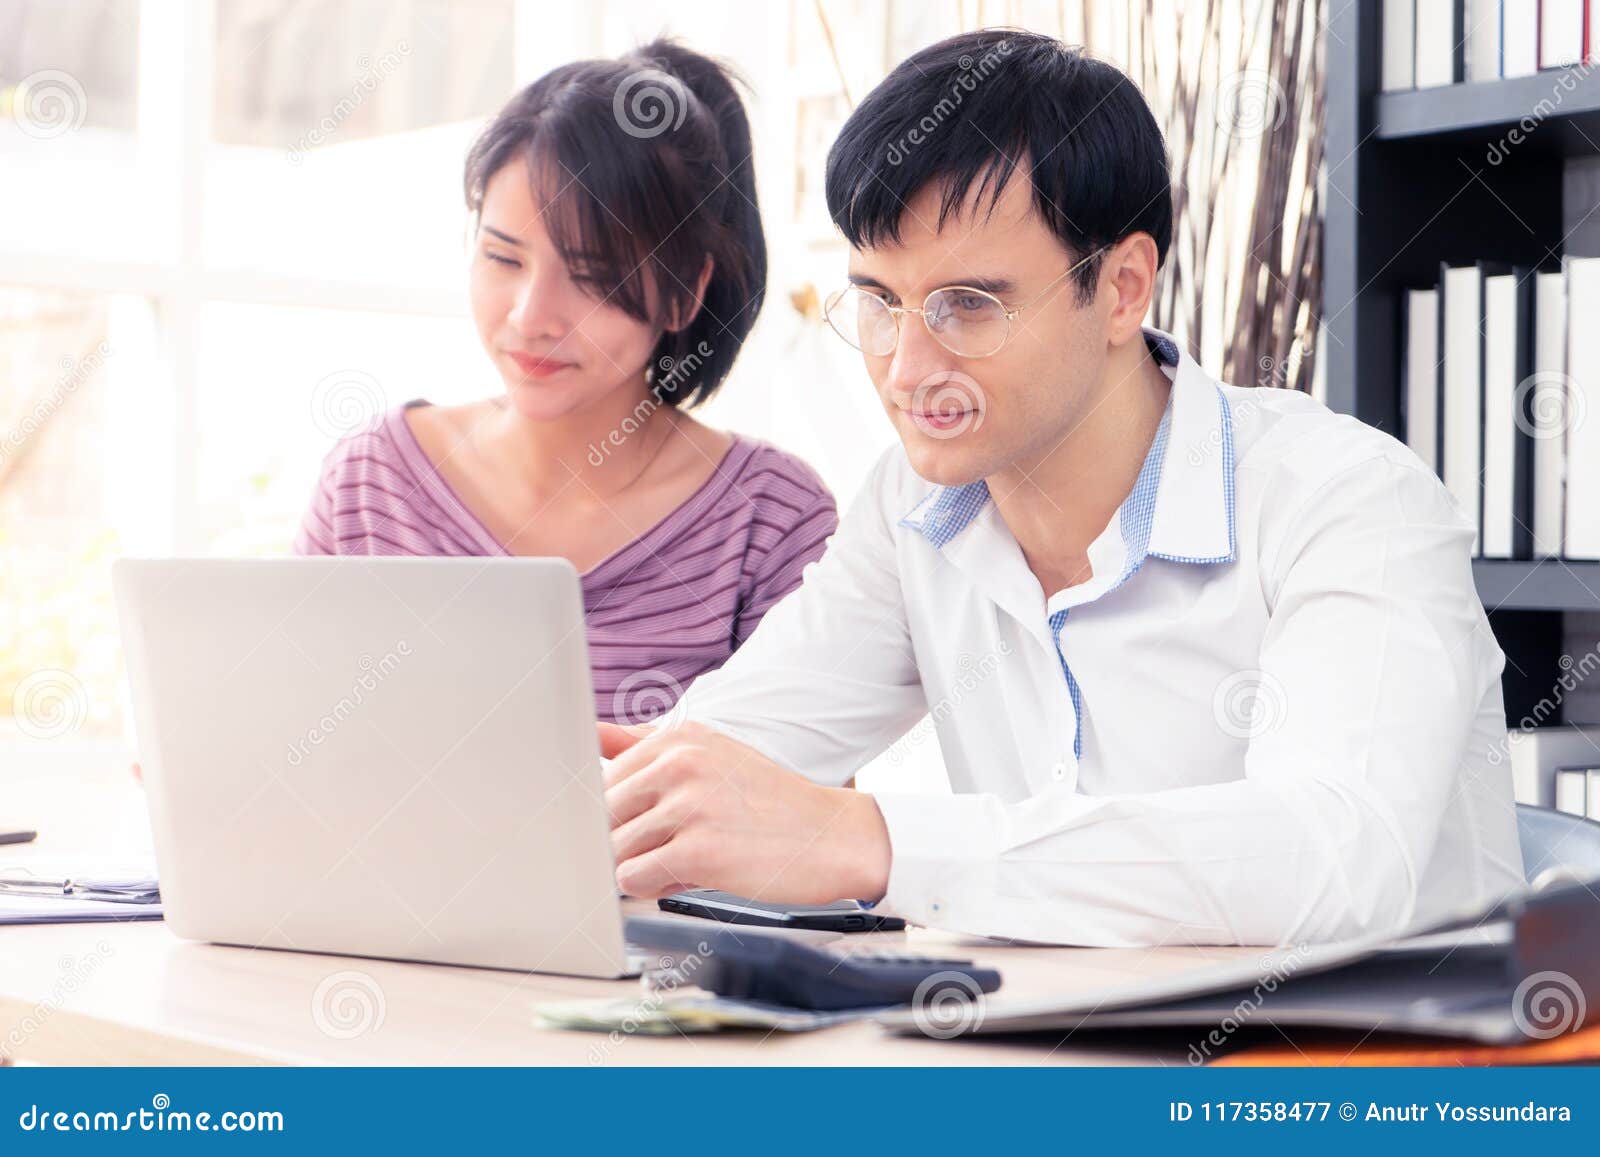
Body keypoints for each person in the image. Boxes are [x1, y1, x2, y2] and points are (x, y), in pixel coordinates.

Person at [597, 30, 1524, 947]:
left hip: (1368, 1076)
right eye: (881, 300)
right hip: (1061, 1056)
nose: (907, 366)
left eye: (968, 305)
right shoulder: (914, 504)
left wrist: (871, 840)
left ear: (1123, 288)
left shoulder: (1348, 499)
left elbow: (1336, 860)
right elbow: (728, 748)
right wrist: (583, 807)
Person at [293, 40, 837, 725]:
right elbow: (299, 735)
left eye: (589, 275)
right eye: (501, 256)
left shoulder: (770, 522)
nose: (530, 316)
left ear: (684, 291)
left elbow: (806, 816)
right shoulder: (370, 482)